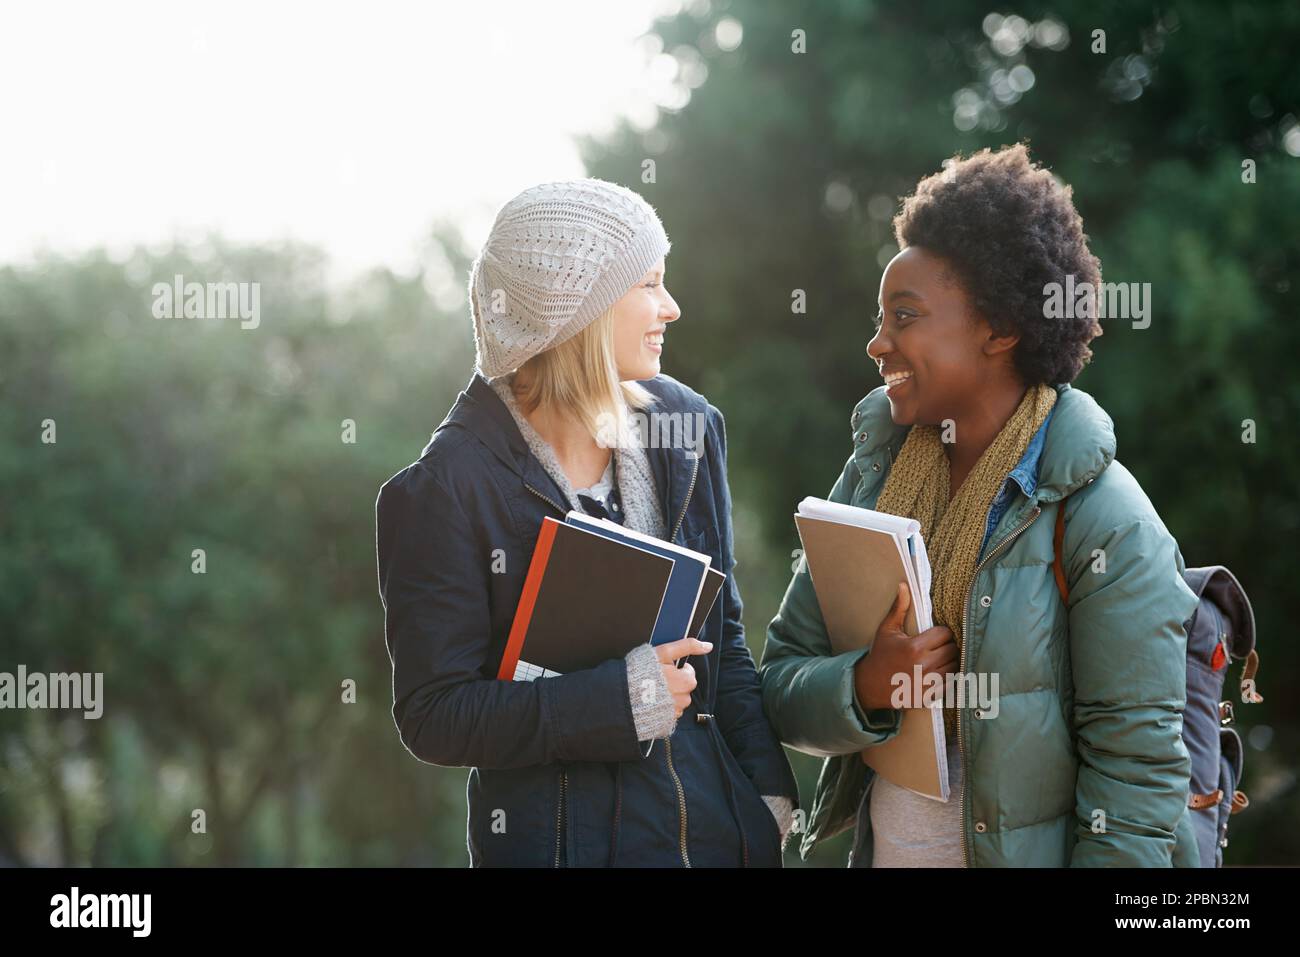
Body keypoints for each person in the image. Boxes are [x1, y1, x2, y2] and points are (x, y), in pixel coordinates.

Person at [760, 144, 1201, 867]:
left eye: (905, 316)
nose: (878, 342)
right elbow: (778, 683)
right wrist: (867, 682)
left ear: (999, 329)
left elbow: (1136, 784)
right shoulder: (872, 478)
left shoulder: (1105, 518)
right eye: (880, 318)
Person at [376, 178, 799, 866]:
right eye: (650, 284)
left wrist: (767, 799)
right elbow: (435, 715)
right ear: (581, 310)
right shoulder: (443, 490)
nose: (672, 307)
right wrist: (616, 702)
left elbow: (723, 641)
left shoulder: (686, 428)